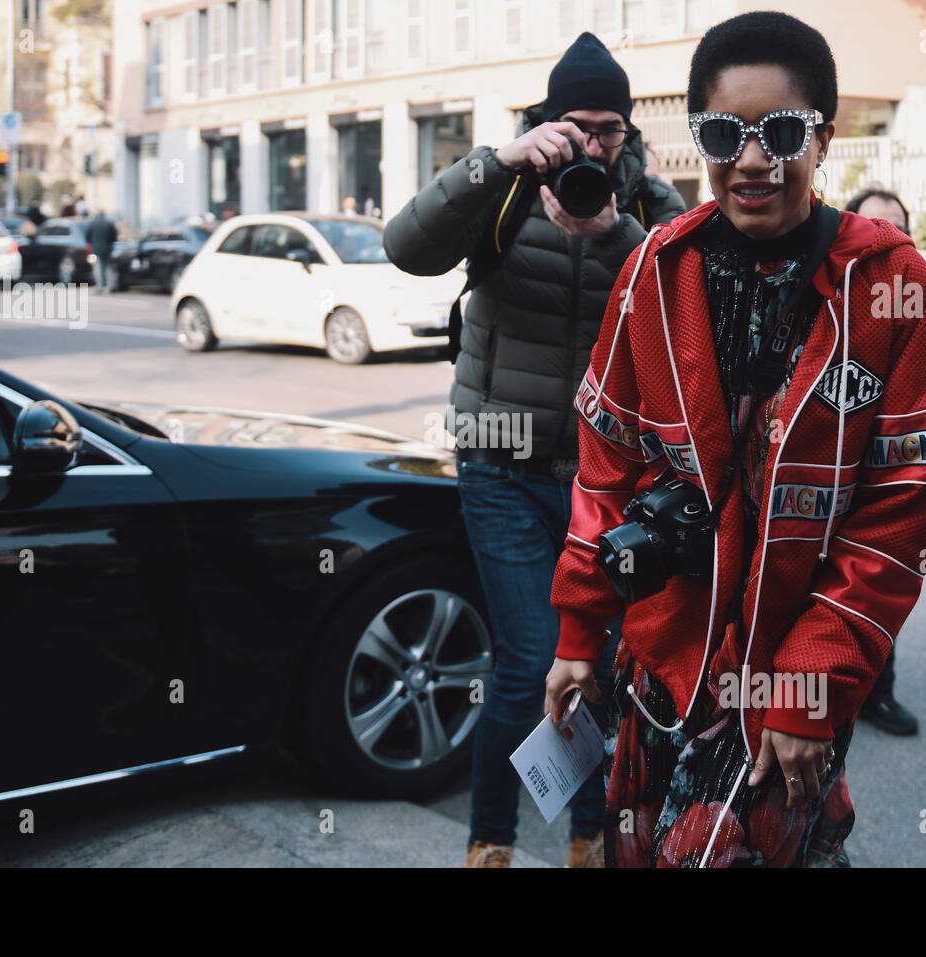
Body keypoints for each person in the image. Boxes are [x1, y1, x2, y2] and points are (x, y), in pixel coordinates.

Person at [545, 11, 926, 867]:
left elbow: (900, 517)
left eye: (782, 131)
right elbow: (604, 469)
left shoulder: (890, 286)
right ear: (698, 134)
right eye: (726, 133)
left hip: (789, 688)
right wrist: (580, 635)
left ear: (824, 137)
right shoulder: (654, 272)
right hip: (662, 674)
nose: (755, 159)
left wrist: (813, 680)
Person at [385, 31, 685, 868]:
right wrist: (499, 162)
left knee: (591, 659)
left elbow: (677, 306)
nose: (593, 145)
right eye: (578, 127)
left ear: (628, 133)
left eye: (610, 130)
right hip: (501, 464)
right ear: (549, 123)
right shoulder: (505, 189)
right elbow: (404, 247)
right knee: (524, 658)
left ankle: (590, 836)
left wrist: (613, 226)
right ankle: (492, 842)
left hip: (604, 479)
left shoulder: (646, 210)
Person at [845, 186, 919, 736]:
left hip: (883, 481)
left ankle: (877, 693)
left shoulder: (916, 301)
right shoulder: (825, 294)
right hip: (825, 483)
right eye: (875, 227)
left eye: (898, 229)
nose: (887, 238)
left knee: (877, 585)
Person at [85, 210, 118, 293]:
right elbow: (114, 237)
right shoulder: (109, 223)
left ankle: (99, 287)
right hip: (107, 249)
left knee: (97, 267)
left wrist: (91, 243)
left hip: (95, 249)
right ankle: (110, 286)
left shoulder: (92, 223)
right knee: (108, 268)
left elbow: (87, 236)